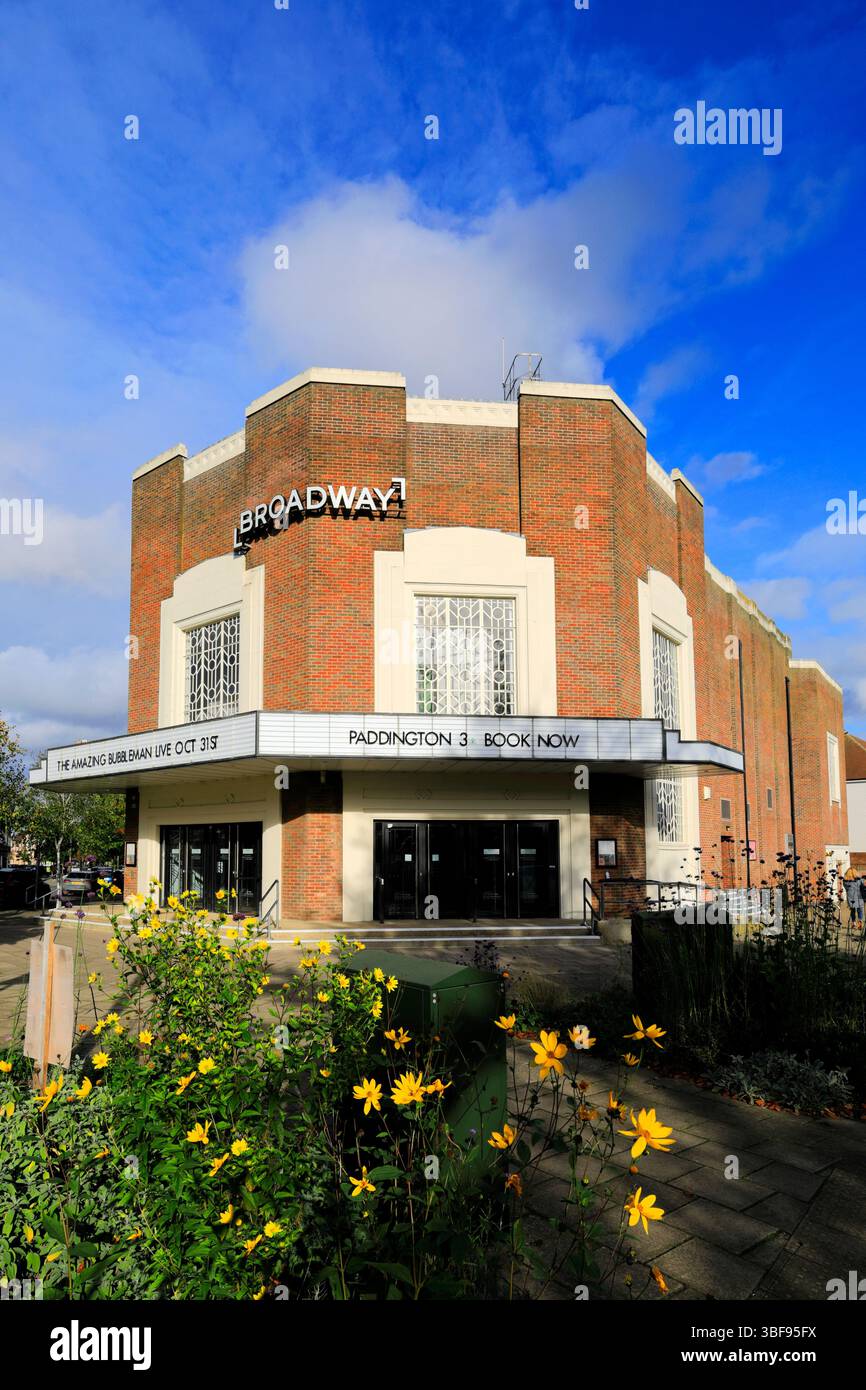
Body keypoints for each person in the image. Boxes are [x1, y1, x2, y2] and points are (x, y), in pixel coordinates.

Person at [843, 866, 865, 930]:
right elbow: (863, 884)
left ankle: (853, 923)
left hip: (850, 897)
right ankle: (860, 921)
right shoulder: (858, 880)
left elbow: (846, 888)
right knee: (860, 910)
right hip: (859, 896)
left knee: (852, 910)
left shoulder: (845, 882)